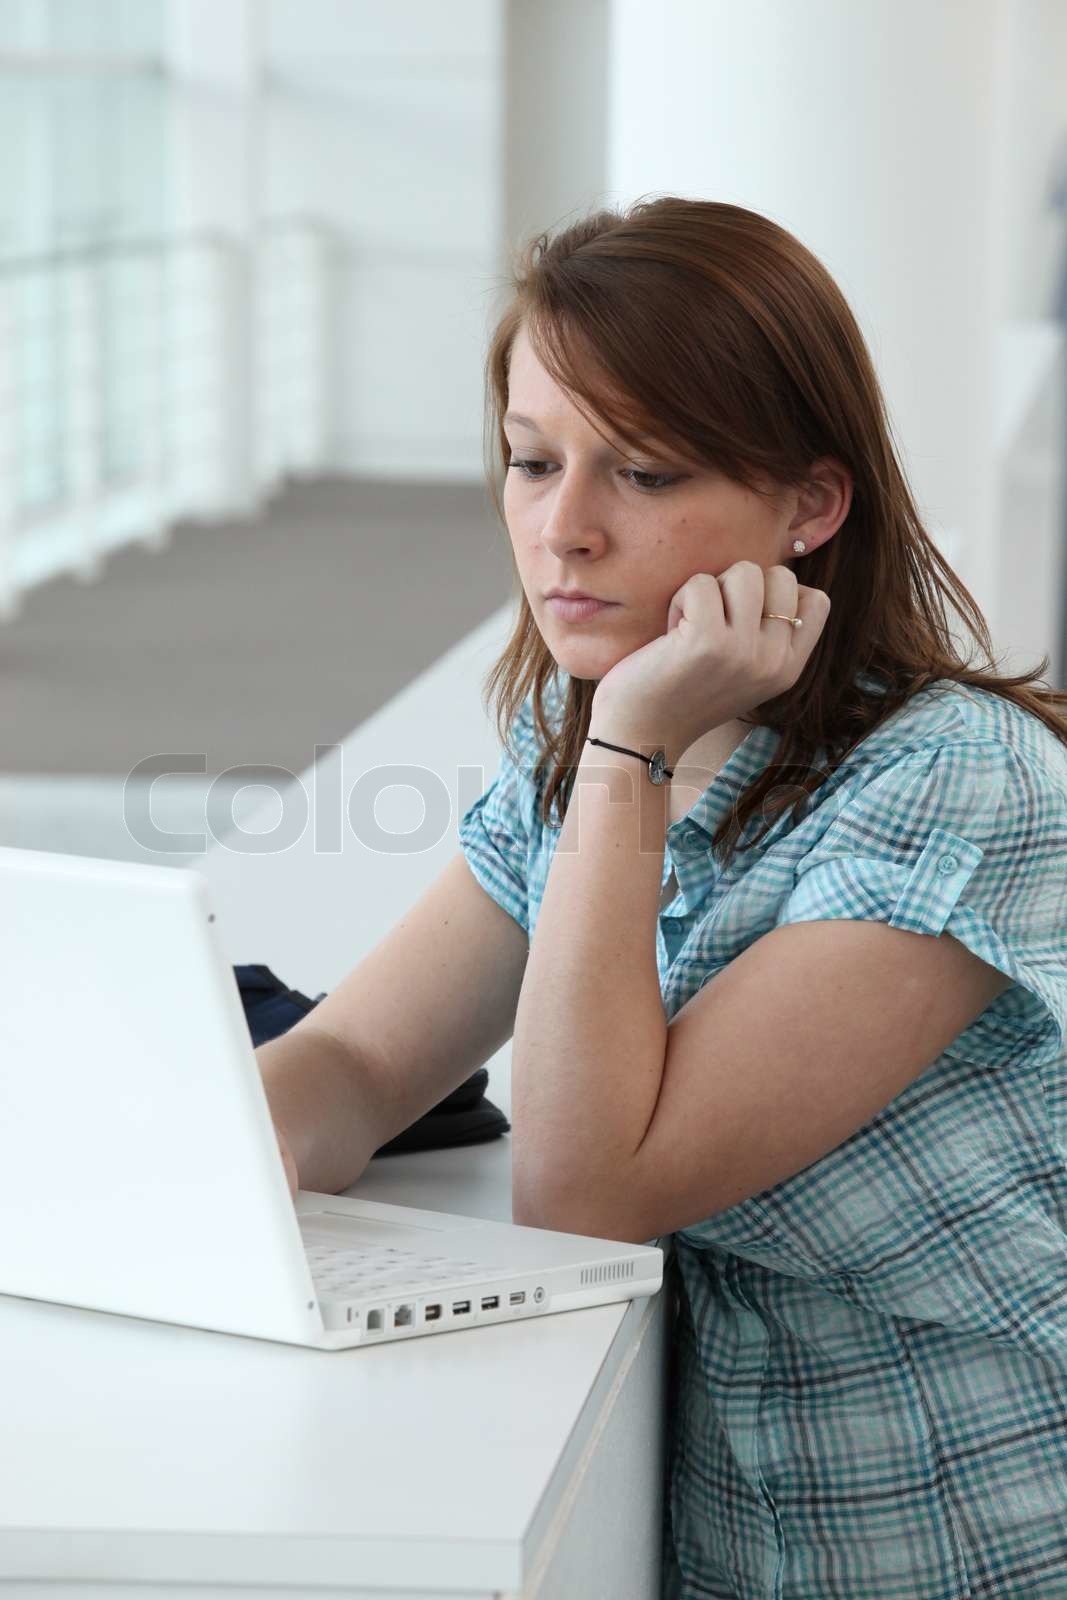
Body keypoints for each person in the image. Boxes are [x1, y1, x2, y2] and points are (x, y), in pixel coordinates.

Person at [257, 197, 1067, 1599]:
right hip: (722, 1527)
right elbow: (360, 1057)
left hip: (954, 1530)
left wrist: (629, 744)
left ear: (811, 506)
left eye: (643, 473)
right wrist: (182, 1180)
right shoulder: (568, 743)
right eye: (530, 461)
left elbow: (586, 1186)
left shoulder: (955, 779)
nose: (563, 529)